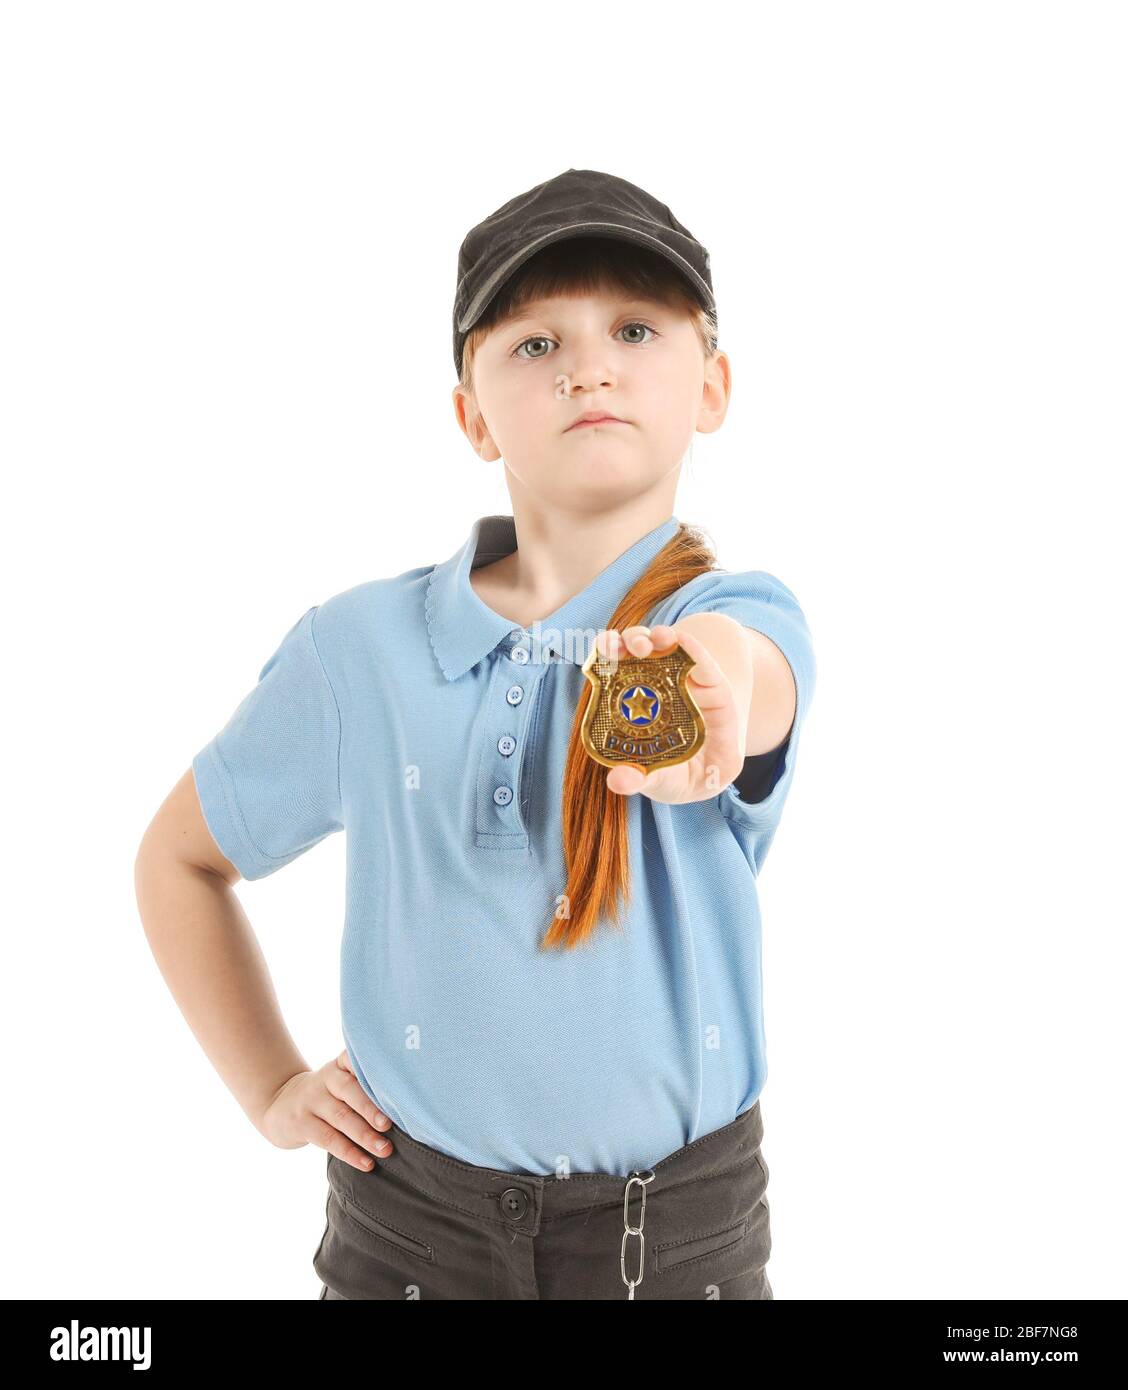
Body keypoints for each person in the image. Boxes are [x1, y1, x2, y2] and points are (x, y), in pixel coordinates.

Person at [135, 168, 816, 1300]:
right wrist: (269, 1088)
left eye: (635, 328)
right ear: (470, 412)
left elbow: (750, 679)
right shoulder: (359, 649)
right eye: (535, 345)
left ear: (713, 383)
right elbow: (179, 861)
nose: (589, 365)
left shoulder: (729, 617)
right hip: (409, 1236)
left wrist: (717, 703)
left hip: (675, 1241)